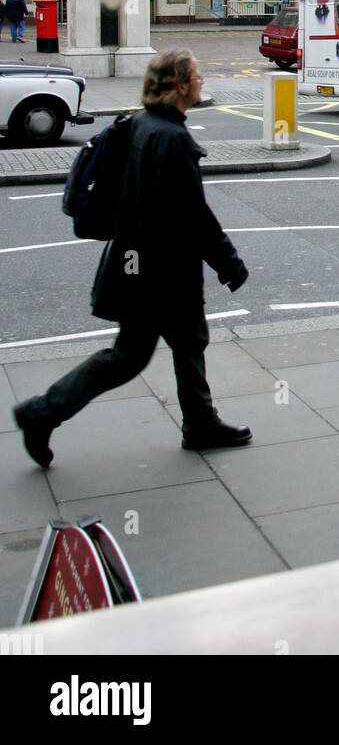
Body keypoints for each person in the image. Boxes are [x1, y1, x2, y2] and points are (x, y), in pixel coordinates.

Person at [12, 48, 251, 468]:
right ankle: (41, 412)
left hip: (139, 259)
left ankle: (199, 422)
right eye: (196, 76)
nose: (201, 82)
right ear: (180, 86)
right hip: (160, 269)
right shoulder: (170, 138)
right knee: (132, 355)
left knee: (185, 341)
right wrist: (228, 262)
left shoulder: (142, 124)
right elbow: (193, 215)